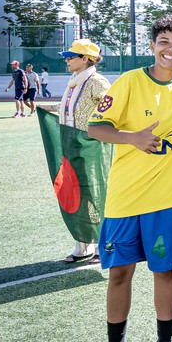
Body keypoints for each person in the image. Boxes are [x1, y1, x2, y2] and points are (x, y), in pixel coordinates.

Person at [82, 16, 172, 342]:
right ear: (152, 45)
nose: (171, 49)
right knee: (120, 273)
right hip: (126, 197)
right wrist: (132, 137)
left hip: (171, 195)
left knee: (165, 271)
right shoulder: (130, 81)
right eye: (164, 41)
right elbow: (95, 128)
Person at [54, 39, 111, 263]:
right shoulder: (74, 81)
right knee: (74, 192)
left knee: (94, 192)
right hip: (71, 144)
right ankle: (83, 243)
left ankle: (101, 244)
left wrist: (95, 130)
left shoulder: (96, 81)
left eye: (71, 56)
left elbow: (112, 108)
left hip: (90, 146)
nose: (67, 60)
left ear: (85, 59)